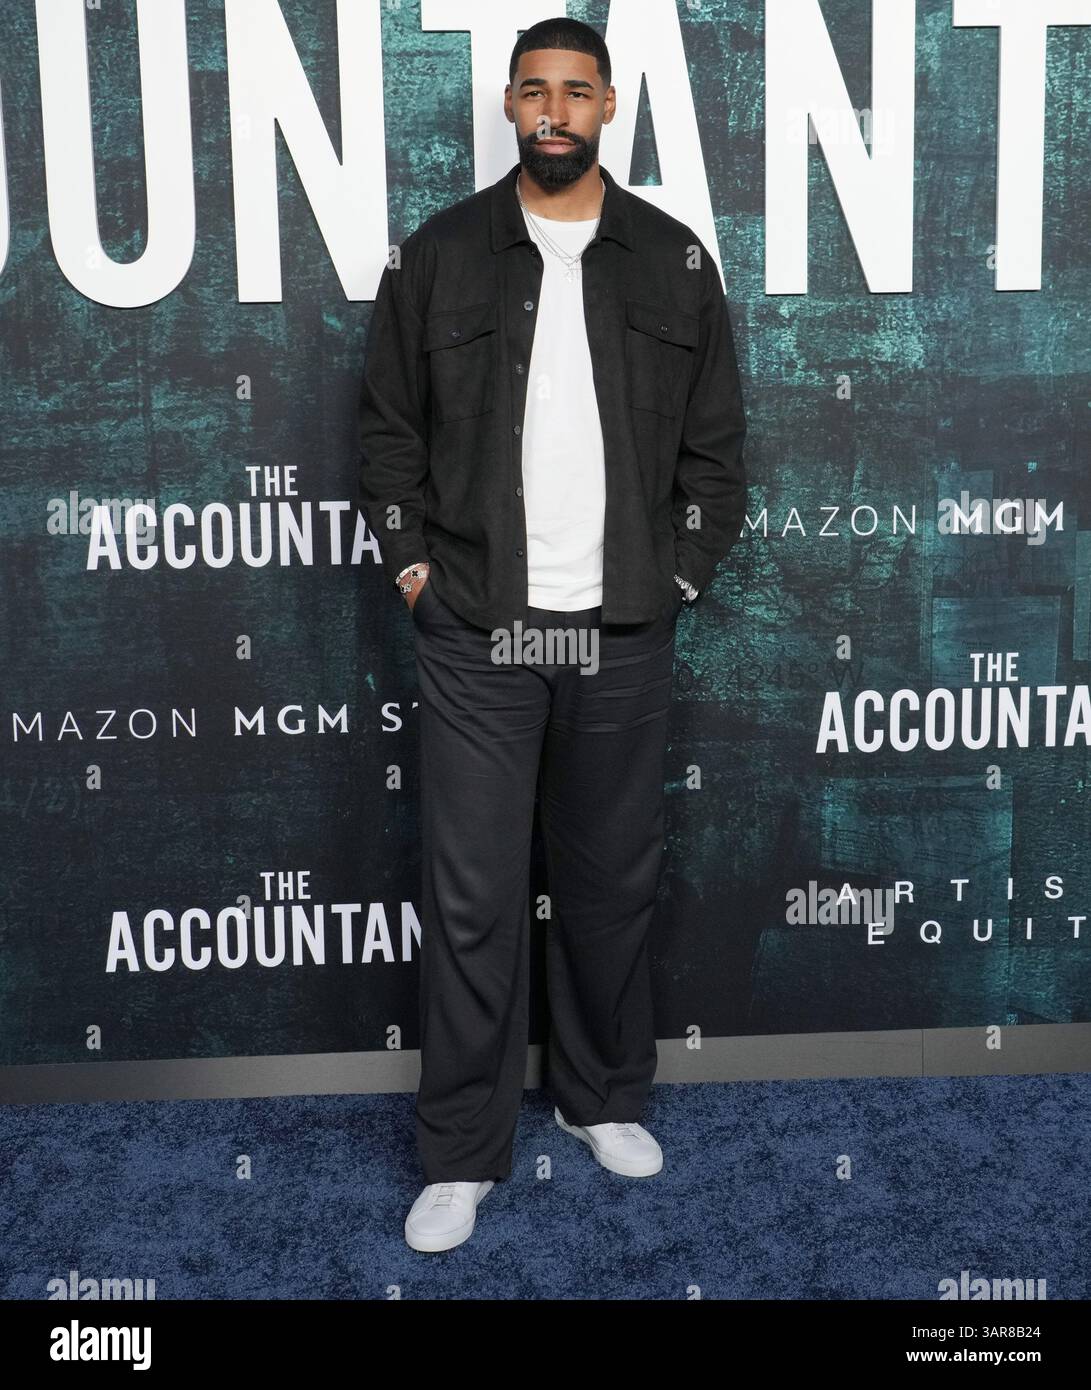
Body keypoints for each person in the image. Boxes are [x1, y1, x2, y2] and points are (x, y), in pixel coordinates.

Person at [357, 15, 747, 1253]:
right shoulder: (437, 256)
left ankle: (601, 1098)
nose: (554, 111)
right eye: (533, 90)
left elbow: (716, 453)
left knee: (606, 884)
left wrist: (676, 579)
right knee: (472, 900)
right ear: (509, 107)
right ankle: (462, 1153)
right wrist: (419, 575)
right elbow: (384, 438)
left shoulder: (675, 262)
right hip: (481, 633)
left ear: (608, 106)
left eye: (576, 92)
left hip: (621, 629)